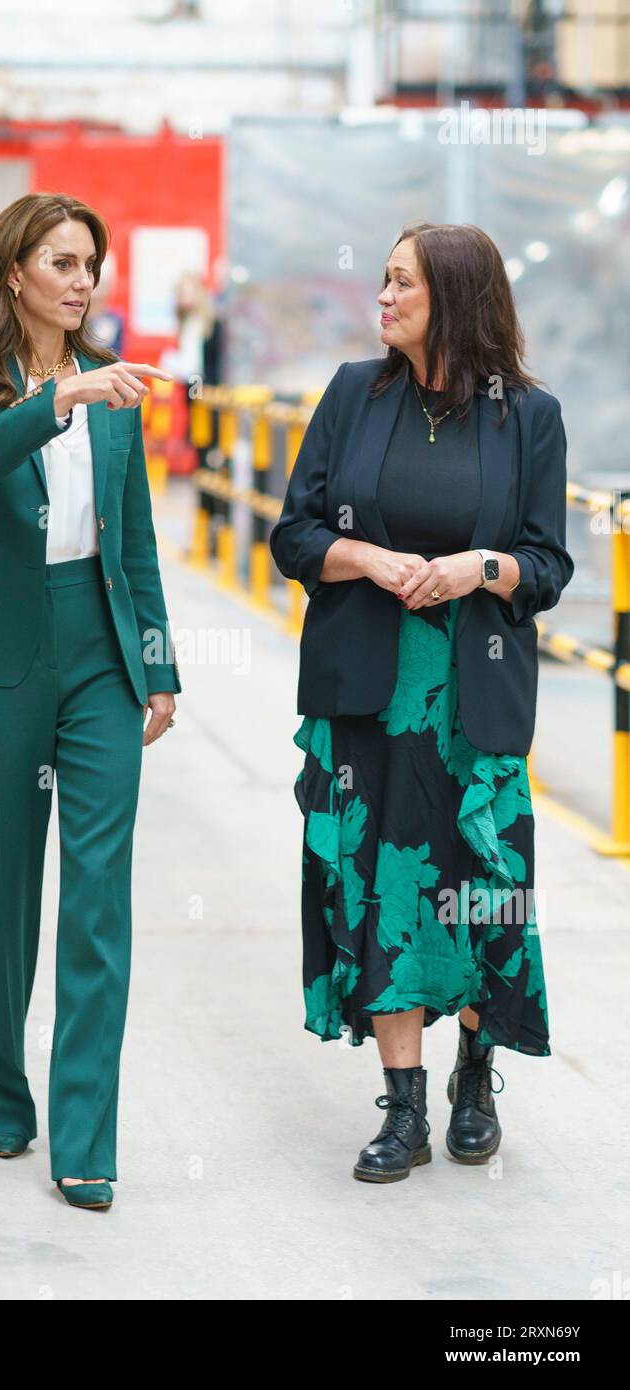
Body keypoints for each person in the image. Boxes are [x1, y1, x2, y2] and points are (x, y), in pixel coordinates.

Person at [269, 222, 573, 1183]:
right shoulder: (354, 396)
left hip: (473, 698)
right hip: (369, 691)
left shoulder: (528, 416)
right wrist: (366, 558)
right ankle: (401, 1107)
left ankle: (473, 1080)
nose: (384, 295)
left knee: (478, 885)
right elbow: (295, 533)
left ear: (454, 295)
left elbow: (547, 564)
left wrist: (477, 568)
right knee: (383, 886)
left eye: (401, 281)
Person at [0, 192, 181, 1210]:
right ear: (14, 270)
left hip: (100, 651)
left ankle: (86, 1139)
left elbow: (134, 534)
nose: (81, 280)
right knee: (4, 886)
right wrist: (60, 398)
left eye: (89, 264)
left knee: (99, 893)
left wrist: (158, 661)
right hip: (4, 654)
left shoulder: (112, 386)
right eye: (62, 261)